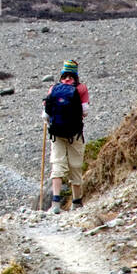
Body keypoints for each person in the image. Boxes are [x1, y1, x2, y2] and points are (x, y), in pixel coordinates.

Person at [43, 60, 89, 213]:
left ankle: (55, 203)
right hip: (75, 134)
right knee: (75, 165)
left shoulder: (53, 89)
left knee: (57, 164)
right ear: (76, 75)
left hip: (56, 134)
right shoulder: (81, 88)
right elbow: (85, 111)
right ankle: (76, 203)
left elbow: (45, 114)